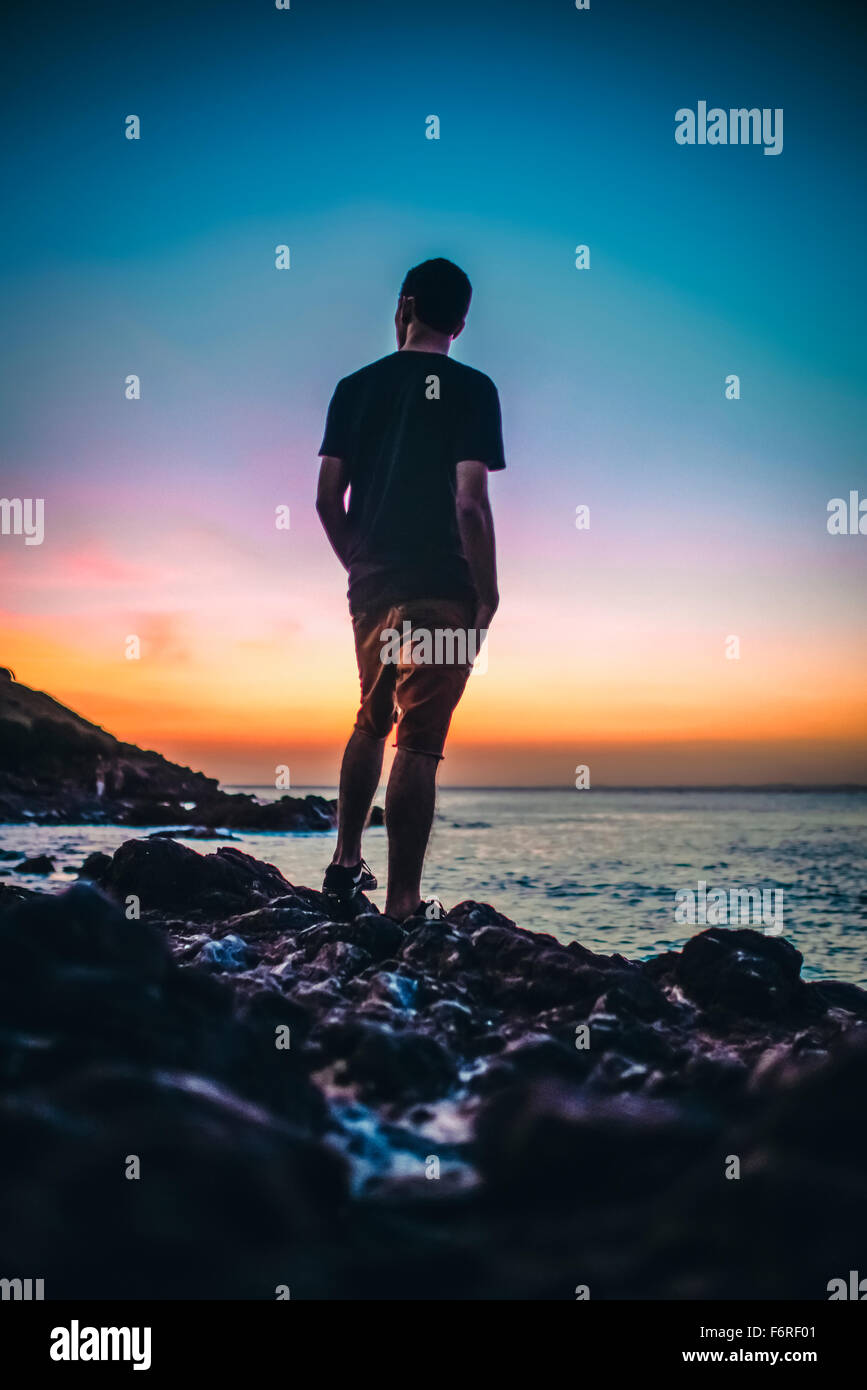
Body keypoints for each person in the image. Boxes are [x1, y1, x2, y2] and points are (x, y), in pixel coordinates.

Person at [316, 257, 505, 921]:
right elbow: (471, 503)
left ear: (404, 307)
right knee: (418, 742)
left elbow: (324, 499)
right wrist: (487, 594)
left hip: (372, 585)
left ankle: (343, 864)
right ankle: (400, 904)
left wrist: (358, 568)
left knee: (370, 718)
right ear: (459, 322)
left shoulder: (354, 388)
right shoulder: (472, 389)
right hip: (442, 585)